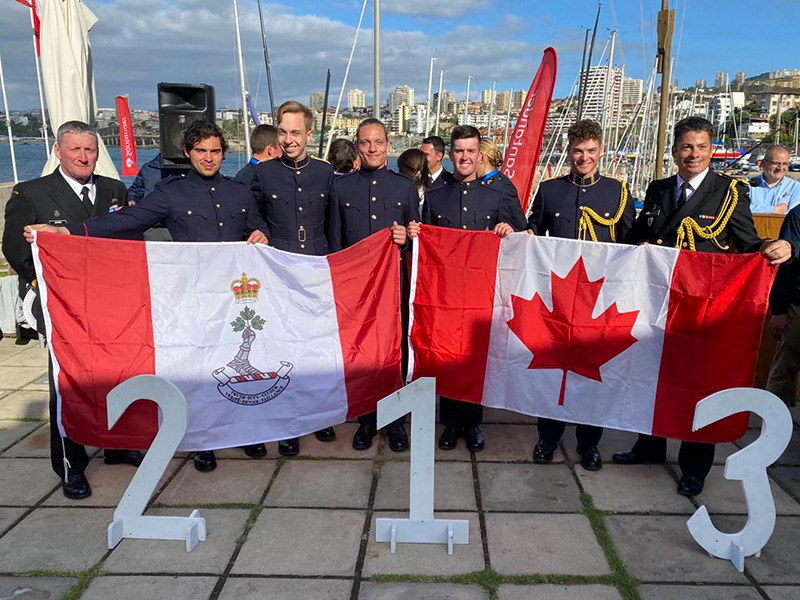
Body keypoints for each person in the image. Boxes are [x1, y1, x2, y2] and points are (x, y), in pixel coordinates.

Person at [25, 121, 271, 475]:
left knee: (240, 364)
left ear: (223, 154)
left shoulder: (240, 192)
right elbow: (127, 221)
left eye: (215, 151)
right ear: (188, 153)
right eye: (200, 151)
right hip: (192, 298)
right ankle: (203, 442)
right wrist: (66, 232)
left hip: (235, 298)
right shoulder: (171, 193)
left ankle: (245, 430)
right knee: (200, 373)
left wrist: (260, 233)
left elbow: (255, 227)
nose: (208, 158)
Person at [613, 116, 791, 497]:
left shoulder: (727, 191)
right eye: (687, 147)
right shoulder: (659, 189)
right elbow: (637, 237)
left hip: (703, 309)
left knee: (699, 385)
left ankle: (695, 467)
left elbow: (745, 242)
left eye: (702, 147)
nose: (694, 154)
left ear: (711, 150)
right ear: (675, 151)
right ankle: (649, 446)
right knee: (652, 376)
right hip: (658, 302)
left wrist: (772, 249)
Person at [3, 120, 144, 500]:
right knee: (67, 384)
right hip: (61, 306)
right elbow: (16, 251)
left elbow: (127, 239)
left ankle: (115, 445)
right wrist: (54, 287)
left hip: (108, 303)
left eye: (90, 150)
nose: (84, 157)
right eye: (75, 150)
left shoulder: (114, 189)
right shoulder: (31, 193)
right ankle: (71, 465)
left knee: (114, 376)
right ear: (58, 152)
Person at [409, 125, 527, 452]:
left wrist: (509, 229)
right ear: (451, 155)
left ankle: (473, 424)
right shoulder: (434, 196)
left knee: (475, 357)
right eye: (459, 151)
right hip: (445, 292)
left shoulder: (497, 194)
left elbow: (523, 233)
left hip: (482, 291)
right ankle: (450, 424)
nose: (464, 157)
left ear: (480, 155)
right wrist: (418, 233)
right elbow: (428, 243)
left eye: (470, 151)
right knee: (445, 353)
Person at [526, 119, 635, 472]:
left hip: (599, 300)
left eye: (590, 151)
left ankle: (589, 443)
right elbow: (534, 231)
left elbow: (631, 242)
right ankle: (548, 437)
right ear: (569, 151)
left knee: (593, 373)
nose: (583, 158)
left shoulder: (617, 192)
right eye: (577, 151)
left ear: (600, 150)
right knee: (552, 371)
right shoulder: (550, 189)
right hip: (558, 299)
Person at [251, 100, 337, 455]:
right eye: (283, 132)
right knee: (282, 347)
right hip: (278, 268)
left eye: (295, 132)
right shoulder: (262, 173)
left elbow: (336, 220)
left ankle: (320, 417)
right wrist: (257, 230)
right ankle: (288, 423)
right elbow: (248, 211)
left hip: (317, 266)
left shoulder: (325, 172)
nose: (288, 139)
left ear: (309, 134)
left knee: (317, 346)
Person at [329, 118, 420, 452]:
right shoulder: (340, 188)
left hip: (393, 286)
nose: (372, 148)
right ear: (356, 147)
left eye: (378, 142)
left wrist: (407, 242)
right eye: (365, 142)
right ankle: (366, 421)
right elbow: (336, 242)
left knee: (395, 356)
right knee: (361, 356)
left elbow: (417, 238)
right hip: (356, 289)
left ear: (388, 146)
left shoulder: (404, 187)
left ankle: (396, 423)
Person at [766, 203, 800, 407]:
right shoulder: (797, 215)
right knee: (785, 365)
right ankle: (774, 423)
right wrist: (779, 311)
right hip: (797, 302)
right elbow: (784, 267)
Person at [749, 144, 800, 214]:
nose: (780, 168)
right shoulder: (747, 185)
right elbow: (739, 211)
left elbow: (793, 214)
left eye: (785, 164)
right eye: (776, 163)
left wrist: (756, 209)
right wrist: (774, 210)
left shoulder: (795, 187)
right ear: (763, 163)